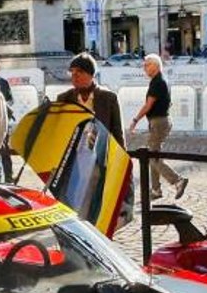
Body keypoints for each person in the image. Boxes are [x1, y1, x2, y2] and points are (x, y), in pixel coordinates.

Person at [129, 54, 188, 202]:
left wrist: (135, 120)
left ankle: (177, 180)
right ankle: (155, 190)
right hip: (162, 121)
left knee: (152, 157)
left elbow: (148, 105)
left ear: (155, 65)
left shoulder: (157, 82)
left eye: (147, 64)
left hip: (159, 122)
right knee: (152, 155)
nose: (144, 67)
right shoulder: (162, 80)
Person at [56, 52, 124, 146]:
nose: (75, 75)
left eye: (79, 71)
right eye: (72, 72)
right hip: (72, 154)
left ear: (91, 75)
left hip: (99, 154)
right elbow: (58, 132)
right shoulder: (64, 99)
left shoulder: (109, 98)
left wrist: (122, 159)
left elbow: (117, 134)